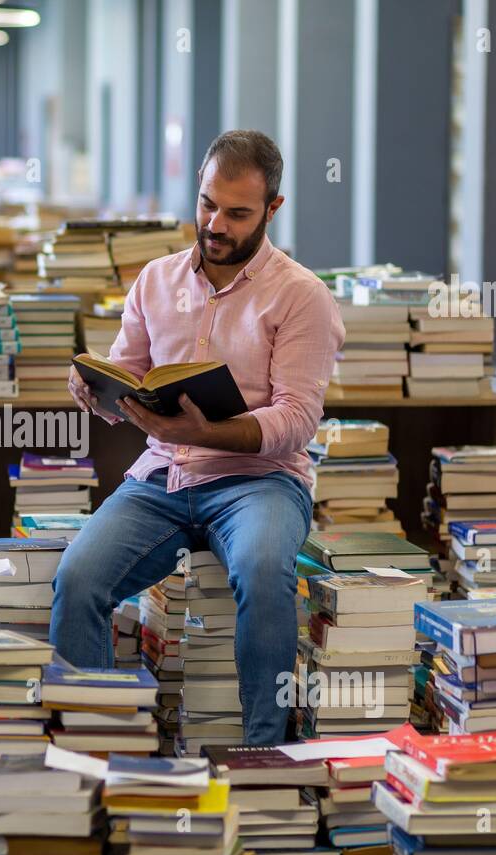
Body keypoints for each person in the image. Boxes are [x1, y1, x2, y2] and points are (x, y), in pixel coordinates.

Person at [51, 129, 345, 745]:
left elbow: (296, 420)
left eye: (237, 213)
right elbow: (129, 375)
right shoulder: (155, 281)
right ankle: (94, 747)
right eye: (208, 204)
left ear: (273, 209)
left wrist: (209, 431)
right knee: (77, 579)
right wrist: (96, 392)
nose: (216, 223)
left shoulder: (301, 297)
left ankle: (265, 754)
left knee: (265, 570)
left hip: (259, 483)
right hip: (163, 476)